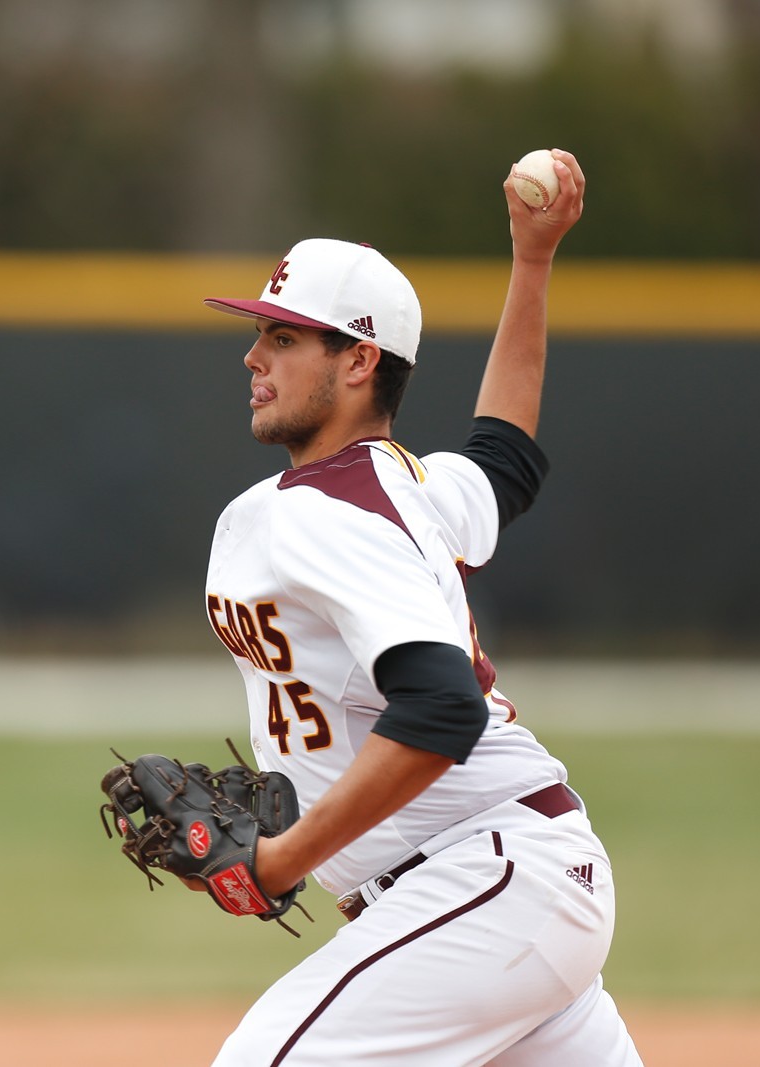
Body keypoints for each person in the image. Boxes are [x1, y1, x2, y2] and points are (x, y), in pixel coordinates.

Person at [198, 150, 643, 1065]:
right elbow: (507, 452)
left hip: (483, 884)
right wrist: (532, 261)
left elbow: (442, 707)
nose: (254, 356)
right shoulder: (412, 487)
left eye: (284, 337)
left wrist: (279, 860)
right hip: (508, 889)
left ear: (358, 360)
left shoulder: (322, 513)